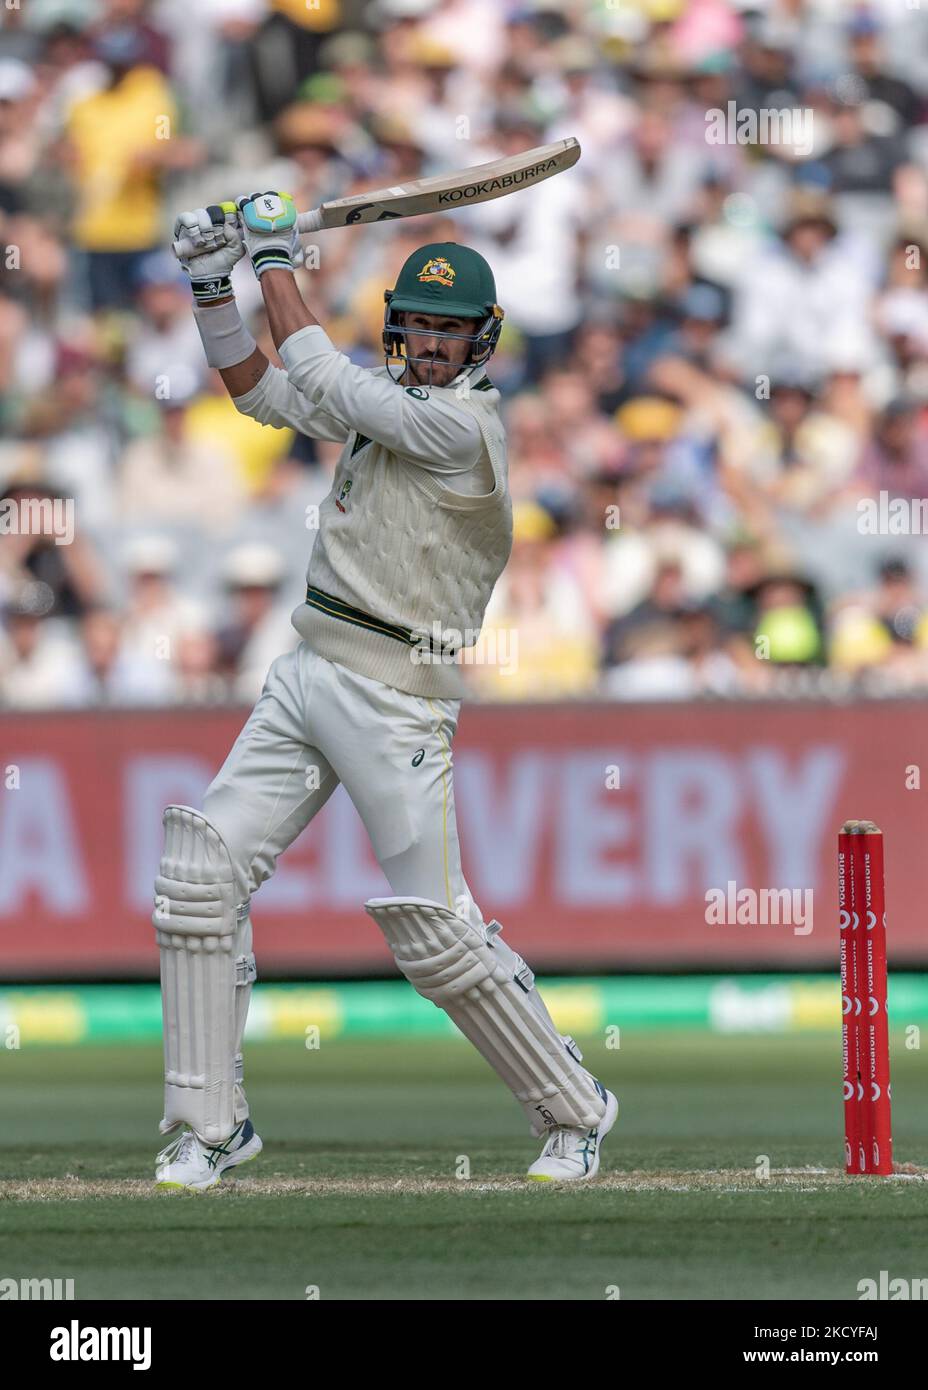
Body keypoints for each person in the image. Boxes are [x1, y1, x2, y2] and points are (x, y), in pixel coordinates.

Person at [152, 192, 617, 1190]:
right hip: (307, 669)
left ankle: (575, 1111)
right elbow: (261, 392)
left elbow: (315, 365)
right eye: (422, 324)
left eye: (454, 330)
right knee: (200, 877)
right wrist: (208, 287)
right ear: (398, 328)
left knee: (435, 927)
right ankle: (209, 1127)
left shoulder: (465, 433)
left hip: (397, 694)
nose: (436, 344)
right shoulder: (384, 405)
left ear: (482, 341)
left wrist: (270, 253)